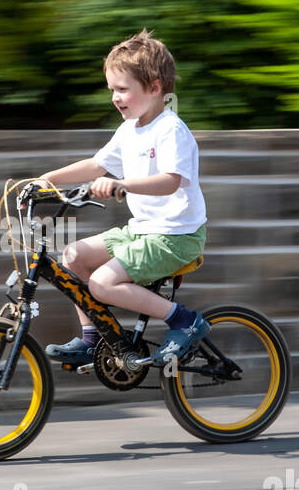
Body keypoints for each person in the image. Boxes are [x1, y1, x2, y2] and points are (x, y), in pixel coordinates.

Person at [33, 29, 209, 367]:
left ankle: (184, 321)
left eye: (123, 89)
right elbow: (97, 164)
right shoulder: (129, 129)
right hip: (142, 230)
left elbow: (170, 182)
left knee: (101, 283)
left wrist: (122, 184)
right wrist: (47, 179)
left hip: (176, 236)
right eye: (112, 90)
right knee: (72, 256)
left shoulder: (170, 130)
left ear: (155, 88)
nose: (115, 97)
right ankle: (93, 339)